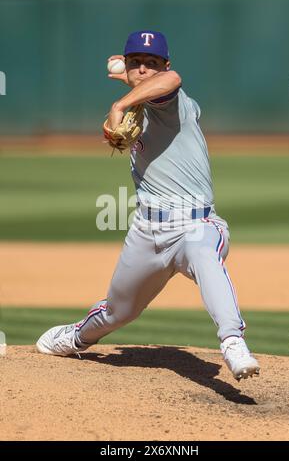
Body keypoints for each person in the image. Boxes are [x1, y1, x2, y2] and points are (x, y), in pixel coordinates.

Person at [36, 30, 260, 381]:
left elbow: (170, 80)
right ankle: (77, 337)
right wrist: (124, 86)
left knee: (203, 251)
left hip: (195, 224)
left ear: (165, 65)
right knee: (117, 312)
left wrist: (119, 102)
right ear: (127, 68)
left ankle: (233, 341)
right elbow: (128, 81)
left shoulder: (174, 103)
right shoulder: (137, 110)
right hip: (146, 231)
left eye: (152, 62)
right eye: (136, 63)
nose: (144, 69)